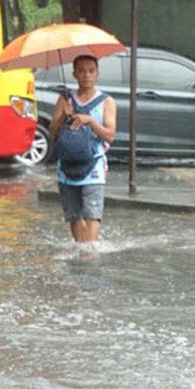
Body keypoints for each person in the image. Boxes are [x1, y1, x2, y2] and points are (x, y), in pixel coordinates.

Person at [49, 55, 118, 247]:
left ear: (97, 73)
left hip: (94, 165)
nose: (86, 75)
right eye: (81, 71)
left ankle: (89, 251)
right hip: (66, 167)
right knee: (73, 214)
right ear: (74, 74)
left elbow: (110, 136)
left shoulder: (107, 101)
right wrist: (62, 115)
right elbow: (52, 132)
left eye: (91, 71)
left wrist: (91, 121)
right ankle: (81, 248)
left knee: (92, 214)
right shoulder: (65, 99)